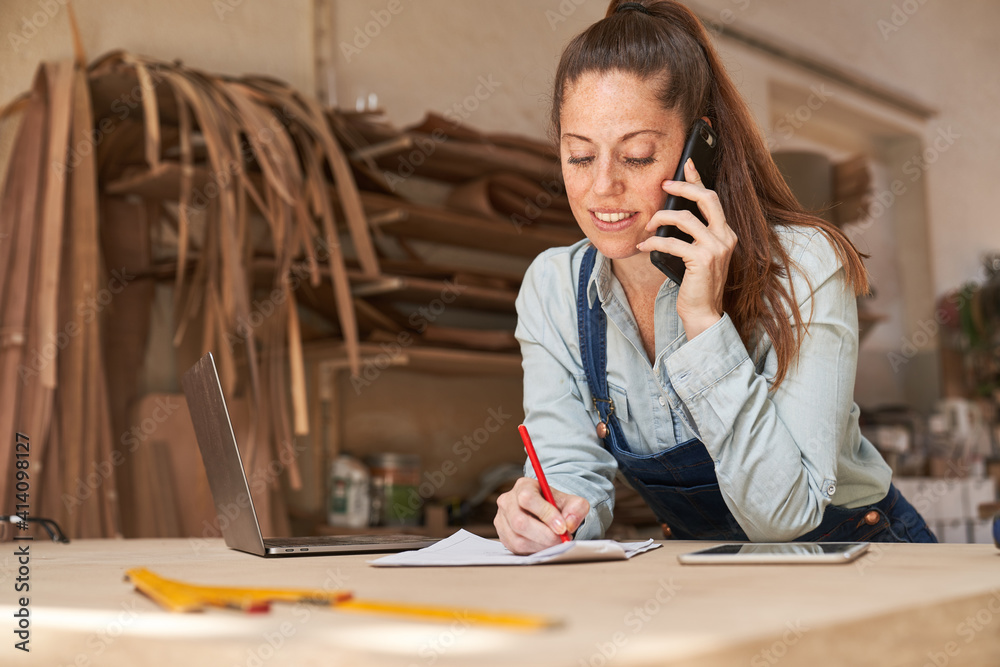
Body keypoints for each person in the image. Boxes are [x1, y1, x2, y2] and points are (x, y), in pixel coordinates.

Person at [494, 0, 937, 554]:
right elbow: (569, 471)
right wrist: (548, 514)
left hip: (859, 562)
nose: (602, 187)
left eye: (636, 157)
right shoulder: (553, 287)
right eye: (580, 156)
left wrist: (703, 323)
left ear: (697, 148)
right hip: (712, 573)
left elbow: (785, 516)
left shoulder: (802, 267)